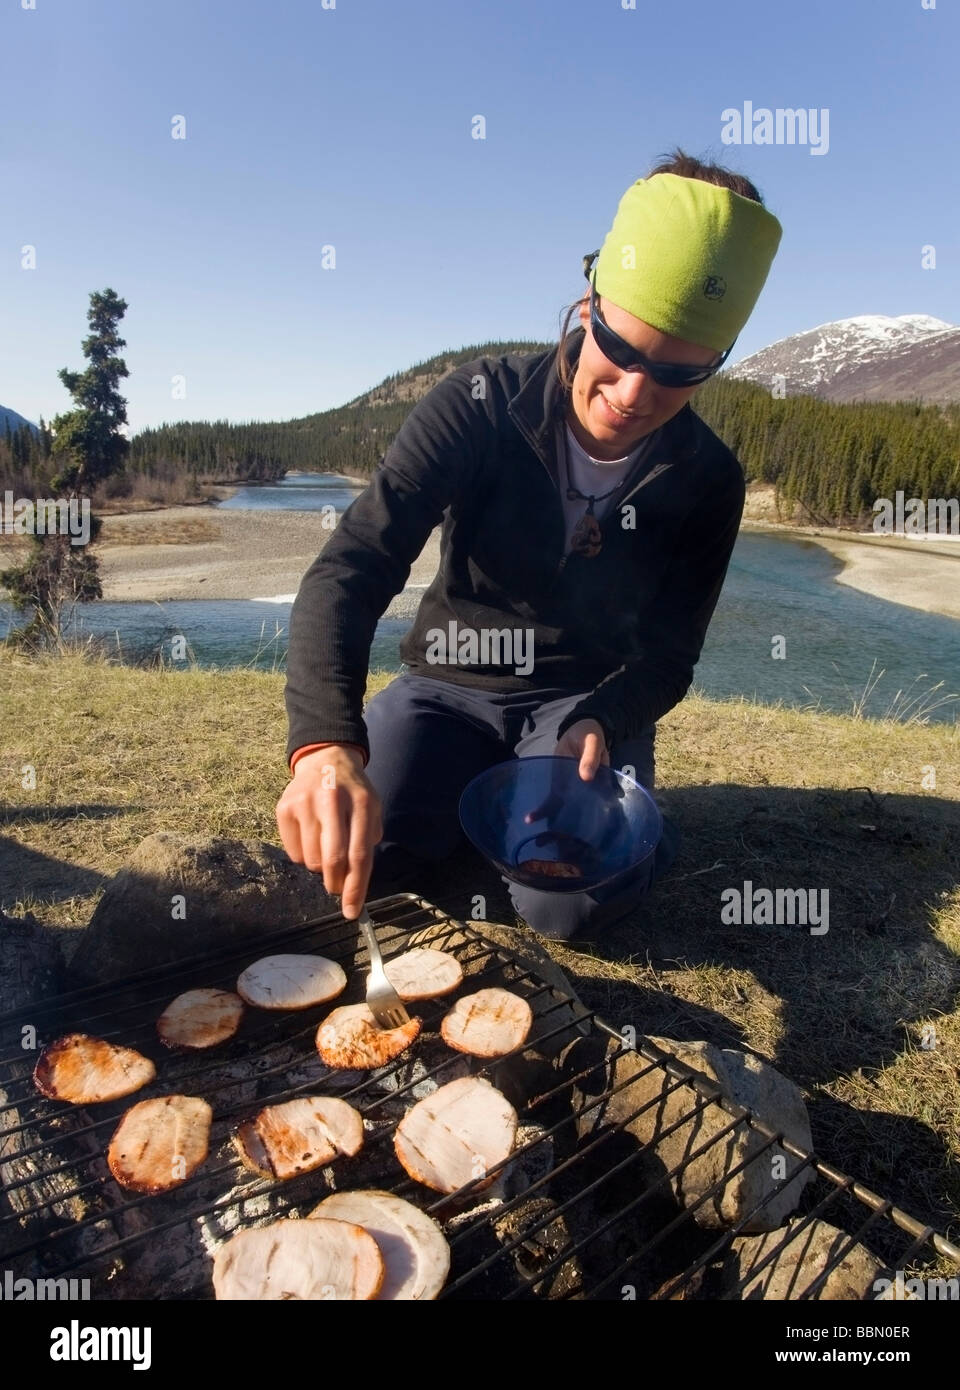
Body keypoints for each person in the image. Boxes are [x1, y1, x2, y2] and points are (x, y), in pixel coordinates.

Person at [276, 148, 783, 940]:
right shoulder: (478, 404)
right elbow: (355, 565)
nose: (633, 395)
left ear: (717, 361)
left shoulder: (710, 477)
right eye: (620, 348)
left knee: (570, 904)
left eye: (680, 374)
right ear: (590, 302)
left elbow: (668, 658)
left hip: (575, 707)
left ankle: (628, 825)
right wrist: (323, 743)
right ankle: (475, 789)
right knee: (360, 855)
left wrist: (605, 720)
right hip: (445, 686)